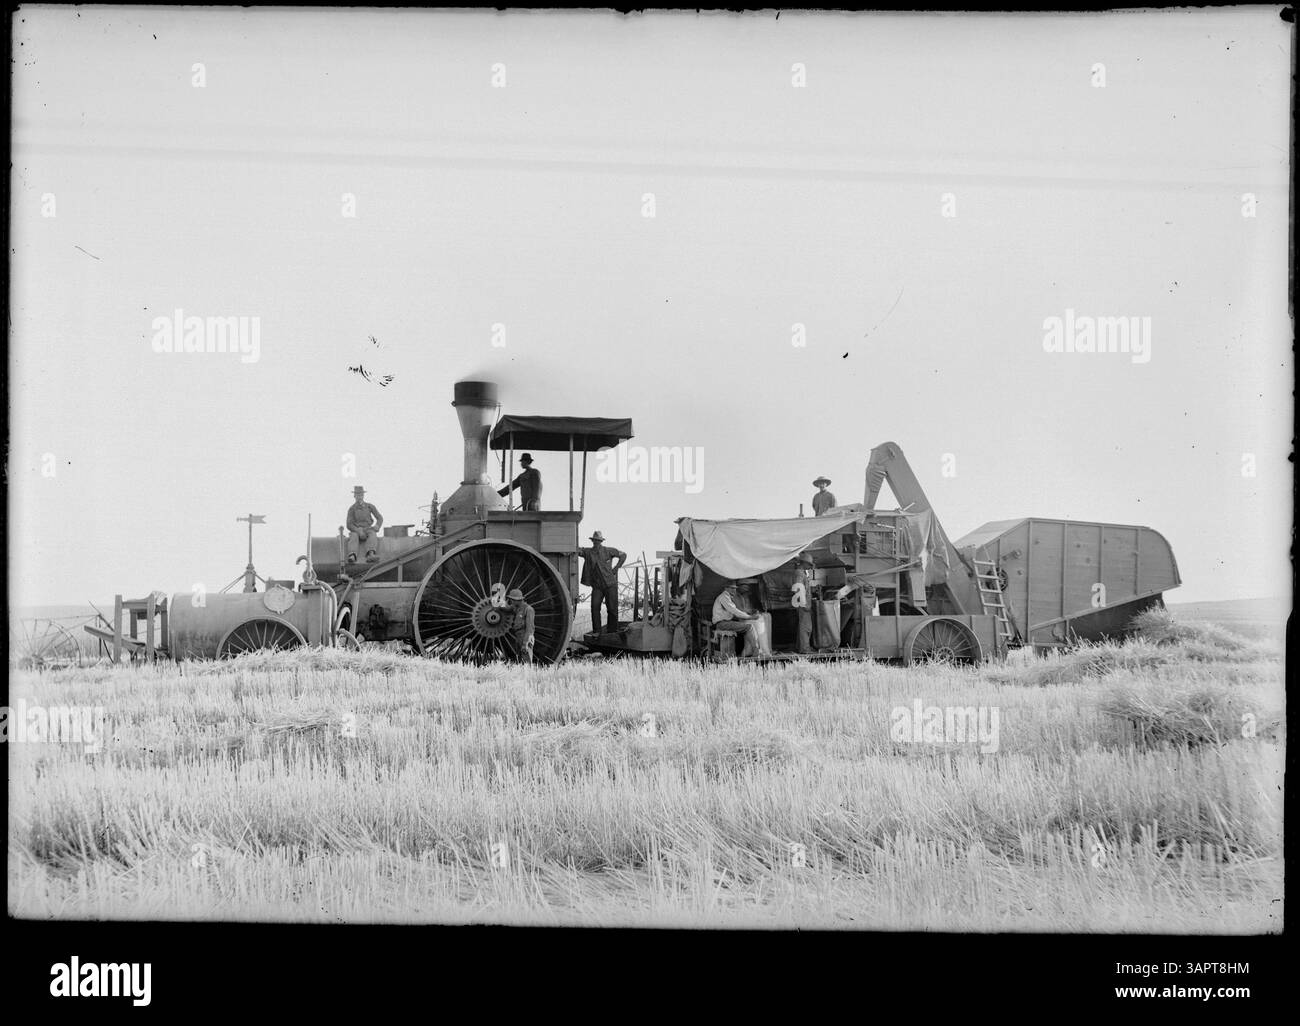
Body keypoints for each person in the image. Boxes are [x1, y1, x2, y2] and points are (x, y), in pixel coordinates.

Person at [579, 531, 626, 635]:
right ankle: (597, 631)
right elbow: (578, 551)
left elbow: (623, 555)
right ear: (592, 541)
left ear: (601, 541)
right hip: (597, 586)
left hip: (610, 585)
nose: (596, 542)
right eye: (595, 540)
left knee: (612, 609)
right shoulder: (588, 552)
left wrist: (616, 568)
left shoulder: (609, 551)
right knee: (594, 608)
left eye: (598, 541)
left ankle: (612, 631)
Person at [712, 584, 760, 651]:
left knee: (744, 626)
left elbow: (737, 610)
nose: (734, 590)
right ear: (726, 588)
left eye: (735, 588)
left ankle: (748, 651)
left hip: (725, 623)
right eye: (732, 588)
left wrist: (750, 611)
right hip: (722, 624)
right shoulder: (724, 597)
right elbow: (735, 611)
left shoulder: (728, 597)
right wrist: (750, 617)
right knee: (749, 627)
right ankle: (756, 650)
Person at [346, 486, 384, 563]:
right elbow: (349, 524)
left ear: (363, 495)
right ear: (354, 496)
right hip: (357, 529)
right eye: (357, 495)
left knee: (372, 534)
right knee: (353, 536)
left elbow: (380, 518)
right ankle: (352, 555)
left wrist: (377, 526)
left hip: (367, 528)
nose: (359, 497)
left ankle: (371, 554)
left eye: (361, 495)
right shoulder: (352, 509)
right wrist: (358, 530)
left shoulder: (370, 506)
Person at [792, 551, 815, 654]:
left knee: (803, 626)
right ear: (803, 563)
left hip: (803, 603)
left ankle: (800, 647)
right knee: (806, 627)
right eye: (809, 564)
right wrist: (804, 604)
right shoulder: (799, 573)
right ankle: (804, 649)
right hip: (803, 604)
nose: (810, 567)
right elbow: (798, 588)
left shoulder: (801, 573)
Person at [506, 587, 535, 663]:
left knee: (526, 659)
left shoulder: (528, 609)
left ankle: (527, 674)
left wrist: (525, 643)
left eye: (512, 599)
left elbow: (529, 629)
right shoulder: (516, 608)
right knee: (520, 659)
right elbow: (507, 609)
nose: (510, 601)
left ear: (517, 600)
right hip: (518, 637)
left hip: (525, 637)